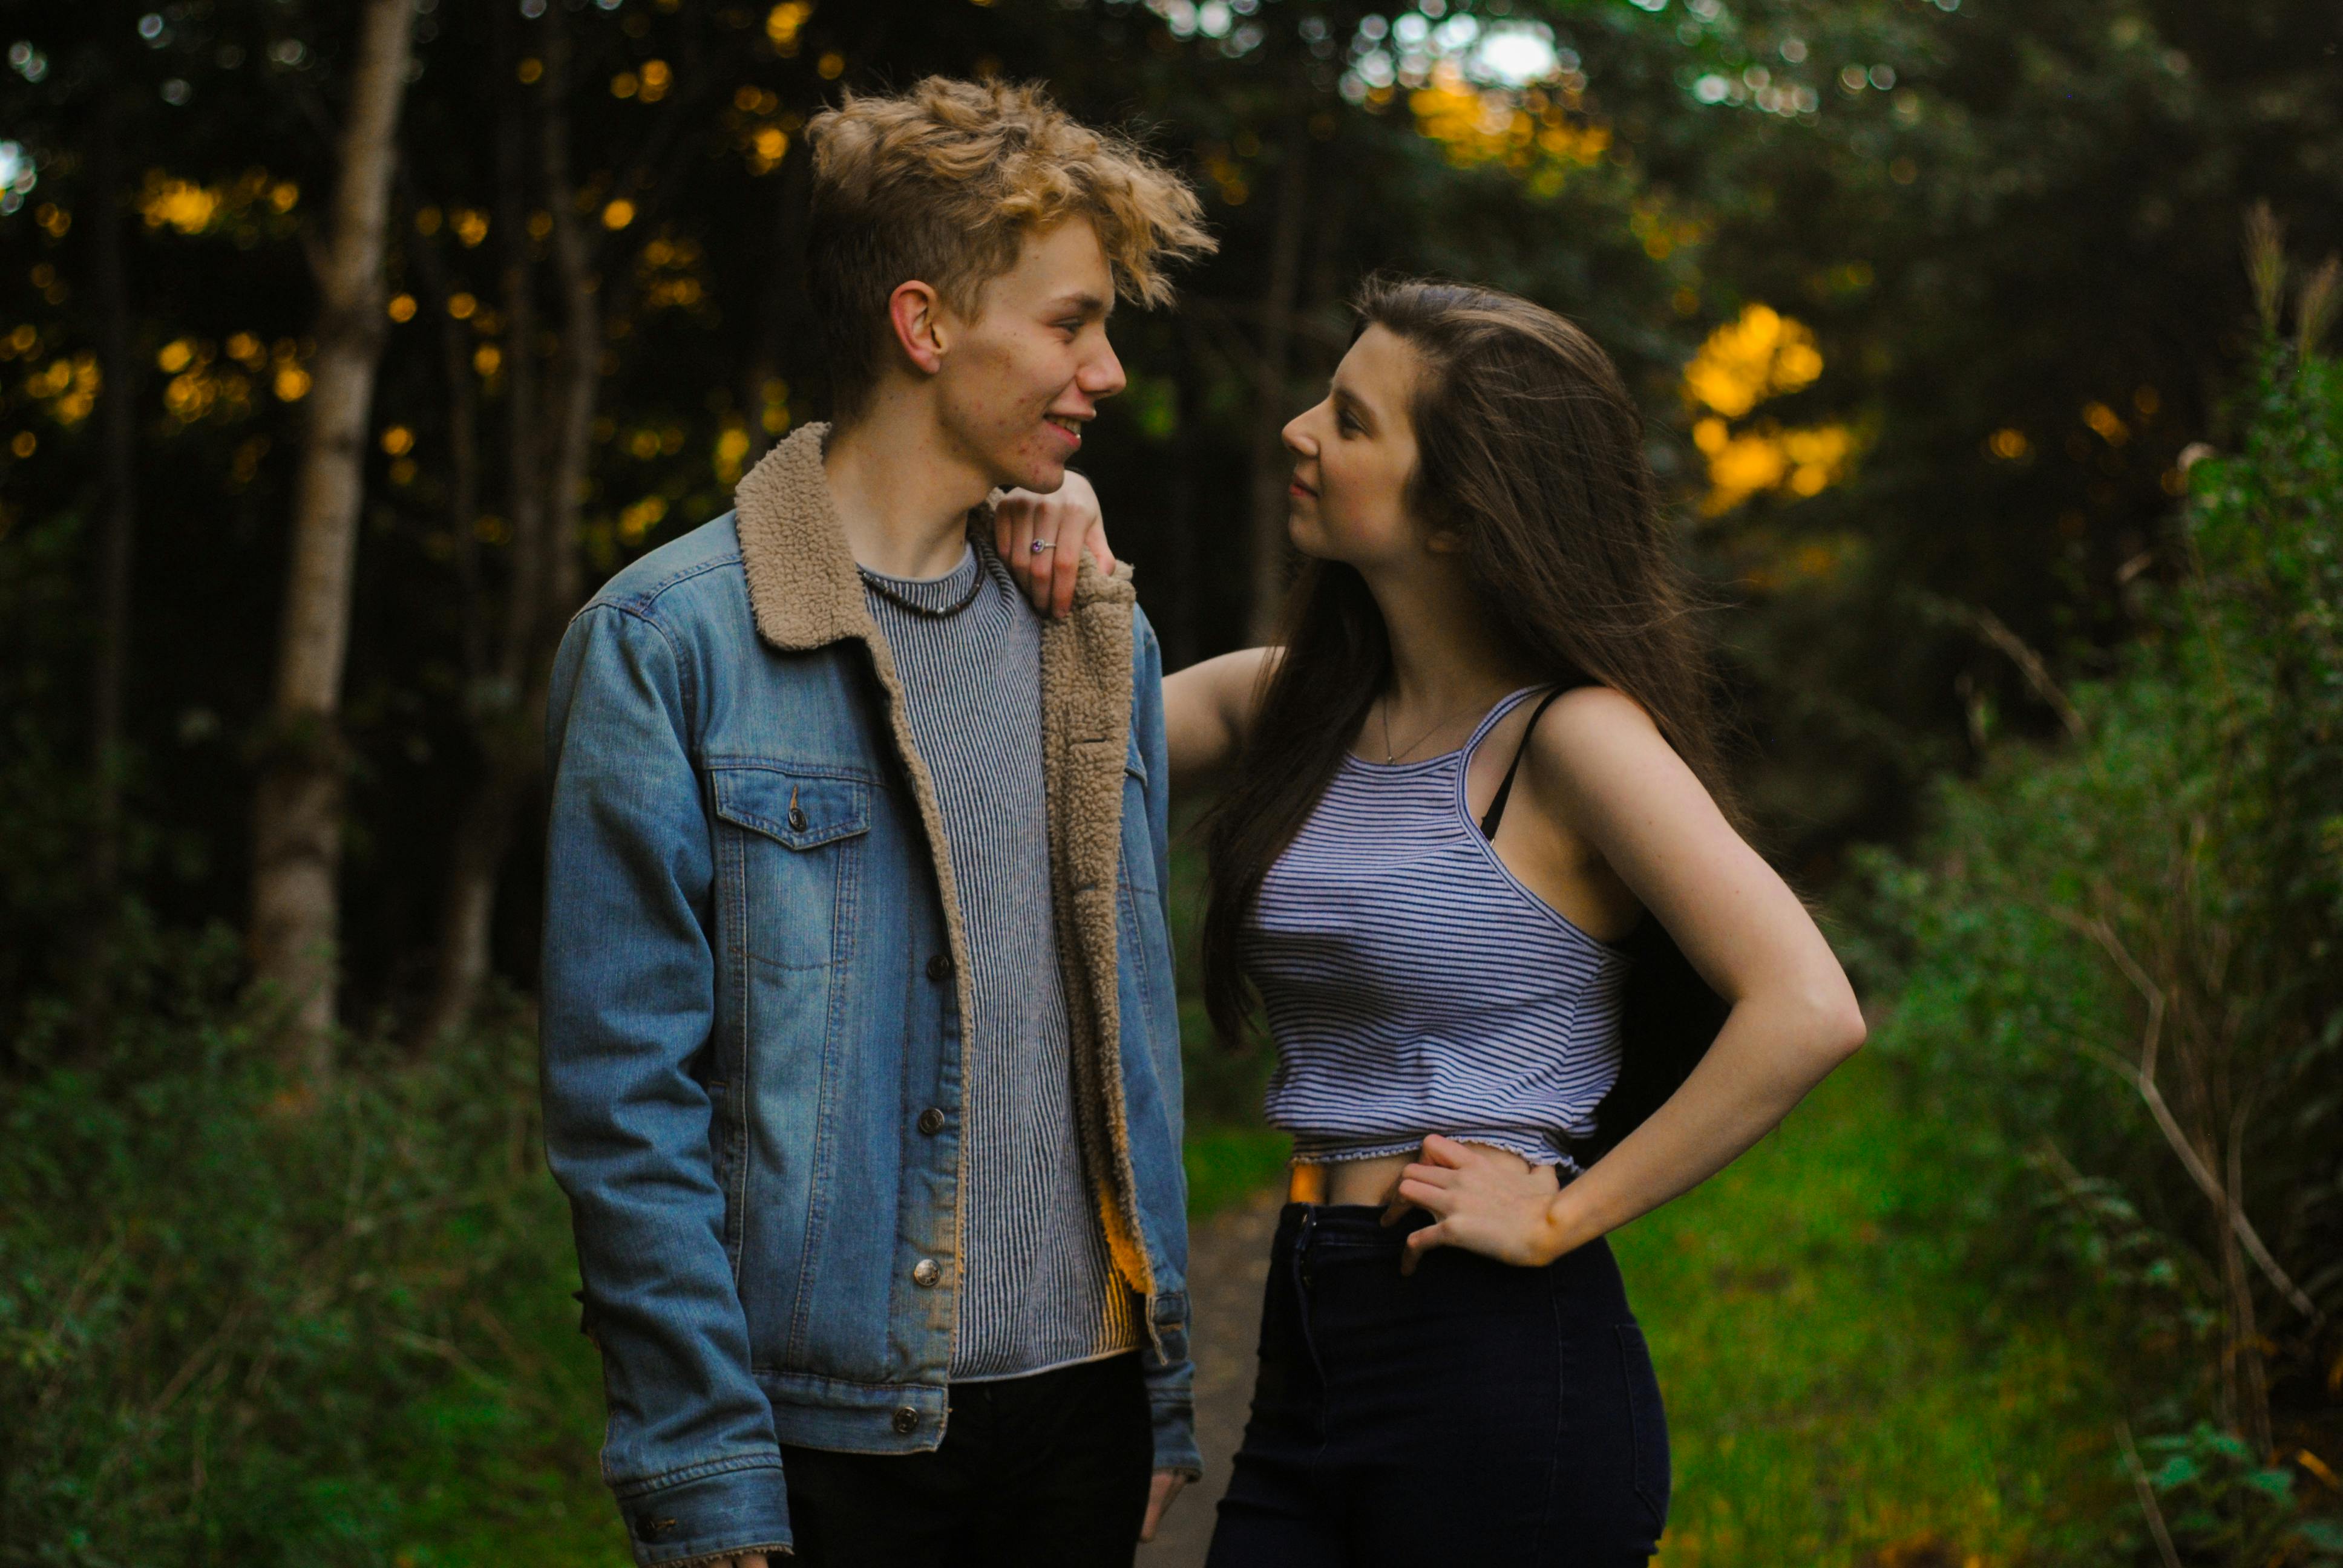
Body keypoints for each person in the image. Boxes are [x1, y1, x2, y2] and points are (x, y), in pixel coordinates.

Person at [1000, 276, 1867, 1564]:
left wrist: (1565, 1214)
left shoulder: (1570, 741)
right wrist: (1044, 513)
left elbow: (1806, 1007)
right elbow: (1009, 751)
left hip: (1494, 1360)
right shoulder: (1283, 705)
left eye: (1349, 422)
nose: (1298, 429)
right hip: (1309, 1332)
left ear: (1460, 513)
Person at [537, 78, 1214, 1567]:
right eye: (1069, 322)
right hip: (821, 1436)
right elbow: (622, 1105)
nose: (1103, 371)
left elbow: (1131, 1029)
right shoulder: (668, 644)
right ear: (923, 325)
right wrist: (701, 1460)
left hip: (1083, 1417)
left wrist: (1155, 1400)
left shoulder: (1094, 635)